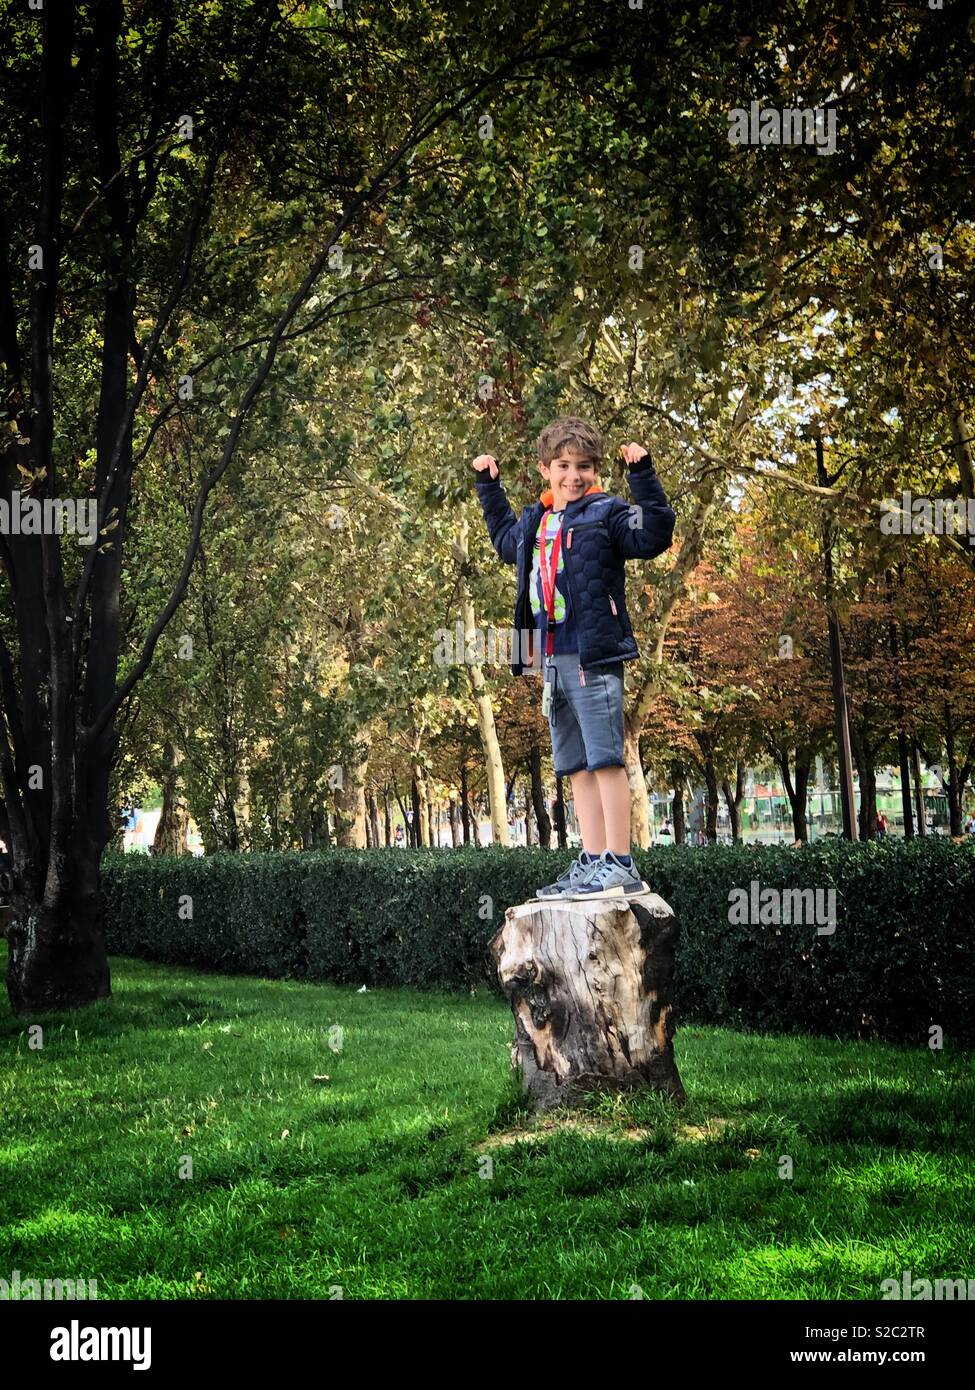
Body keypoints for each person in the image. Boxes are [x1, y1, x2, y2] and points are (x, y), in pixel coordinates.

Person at [473, 417, 675, 899]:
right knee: (576, 764)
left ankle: (621, 863)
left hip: (593, 656)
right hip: (550, 658)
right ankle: (593, 858)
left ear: (597, 470)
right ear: (545, 469)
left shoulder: (607, 513)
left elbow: (655, 535)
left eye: (583, 466)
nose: (573, 475)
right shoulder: (537, 522)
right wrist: (488, 487)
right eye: (563, 466)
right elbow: (504, 539)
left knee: (606, 759)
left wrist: (643, 475)